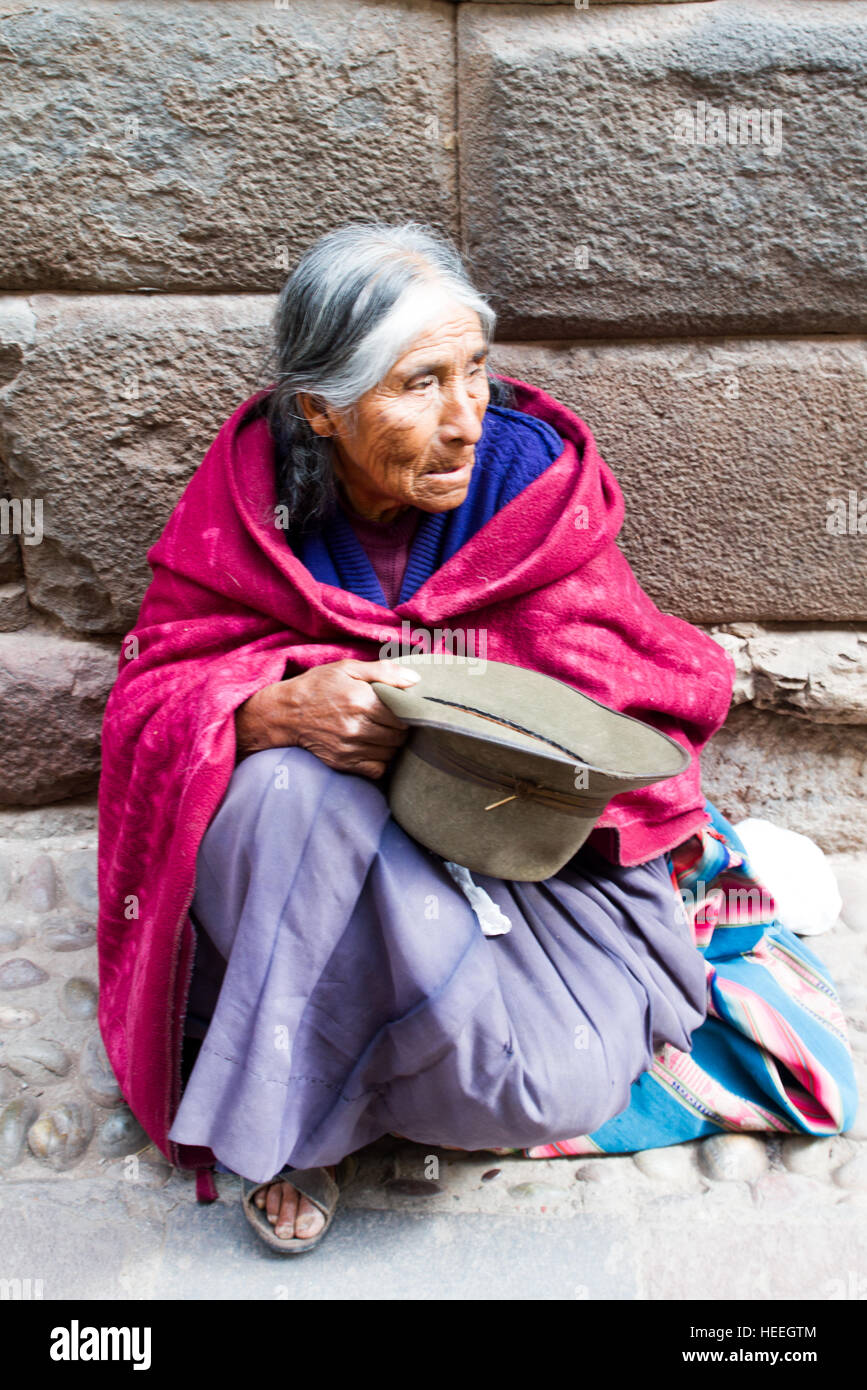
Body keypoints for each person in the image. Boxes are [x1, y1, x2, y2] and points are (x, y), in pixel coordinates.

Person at [97, 221, 857, 1254]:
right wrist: (270, 707)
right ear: (320, 409)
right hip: (316, 859)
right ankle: (301, 1126)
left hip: (516, 858)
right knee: (288, 793)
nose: (464, 418)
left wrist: (462, 725)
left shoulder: (528, 488)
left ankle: (353, 1059)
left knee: (550, 1081)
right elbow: (153, 695)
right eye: (419, 385)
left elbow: (638, 689)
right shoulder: (251, 501)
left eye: (475, 371)